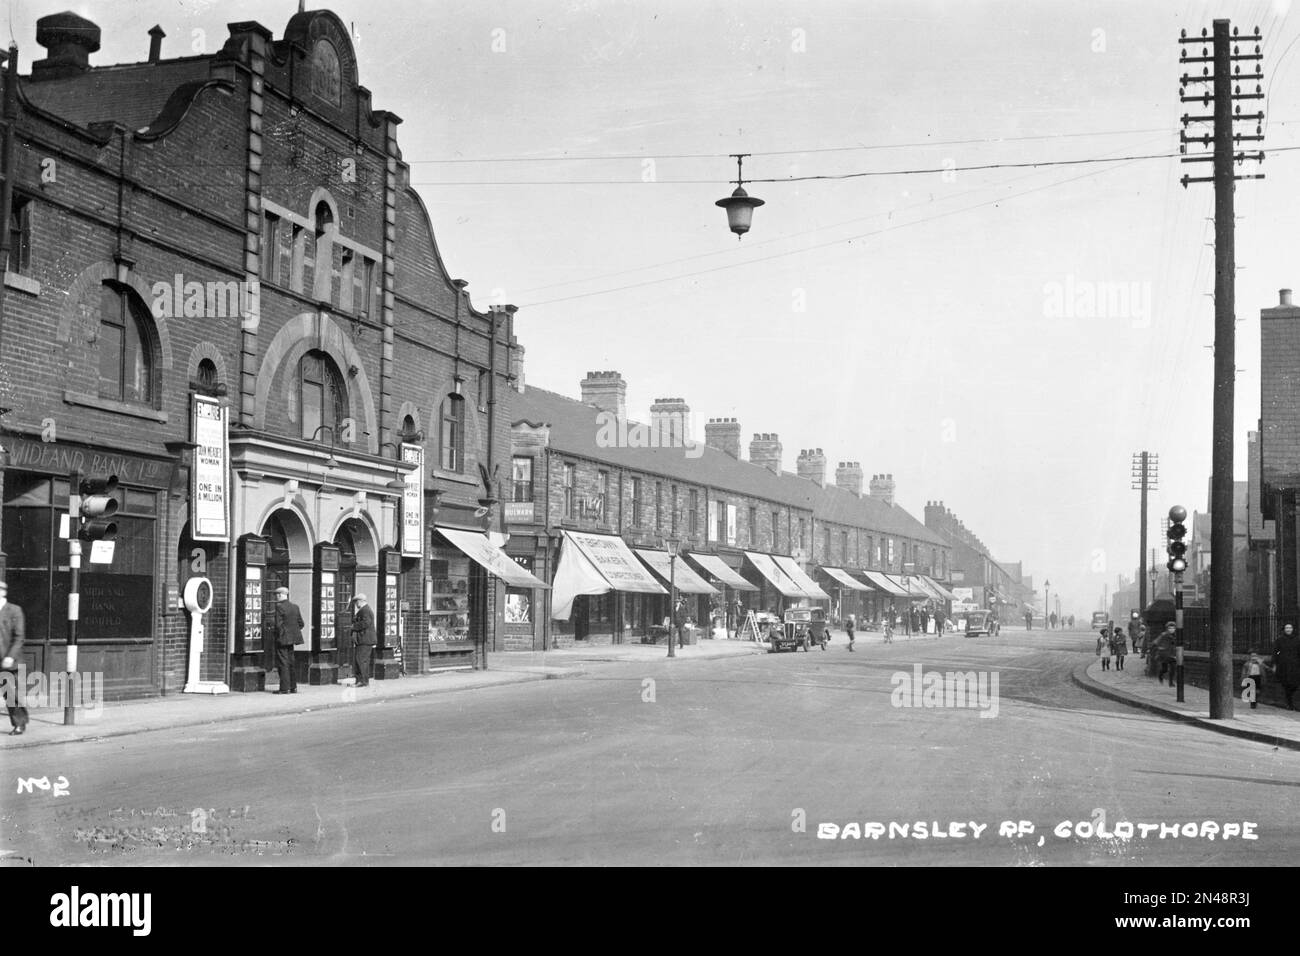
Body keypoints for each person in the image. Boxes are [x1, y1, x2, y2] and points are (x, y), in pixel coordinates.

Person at [0, 582, 28, 736]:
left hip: (8, 660)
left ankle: (19, 723)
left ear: (3, 592)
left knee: (10, 694)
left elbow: (19, 637)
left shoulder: (14, 610)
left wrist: (10, 657)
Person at [272, 586, 304, 694]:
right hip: (292, 639)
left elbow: (278, 624)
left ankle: (284, 688)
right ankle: (293, 687)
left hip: (282, 639)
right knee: (291, 662)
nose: (276, 597)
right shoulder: (295, 607)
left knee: (283, 663)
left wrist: (280, 634)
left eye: (277, 595)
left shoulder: (279, 607)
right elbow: (301, 623)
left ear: (280, 595)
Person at [351, 593, 377, 686]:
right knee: (362, 660)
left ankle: (362, 681)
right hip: (365, 640)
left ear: (360, 601)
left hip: (364, 640)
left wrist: (354, 626)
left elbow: (366, 623)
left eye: (356, 602)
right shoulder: (365, 610)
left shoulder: (365, 610)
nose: (355, 604)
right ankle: (362, 681)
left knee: (361, 660)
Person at [1272, 623, 1300, 710]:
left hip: (1295, 665)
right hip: (1284, 665)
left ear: (1293, 629)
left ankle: (1291, 701)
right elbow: (1275, 652)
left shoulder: (1298, 639)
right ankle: (1289, 703)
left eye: (1290, 628)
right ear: (1284, 629)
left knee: (1295, 684)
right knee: (1286, 684)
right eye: (1287, 628)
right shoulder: (1280, 640)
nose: (1288, 629)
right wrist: (1274, 664)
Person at [1154, 622, 1177, 686]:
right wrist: (1160, 648)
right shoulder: (1163, 635)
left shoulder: (1175, 635)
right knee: (1165, 669)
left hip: (1172, 654)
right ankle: (1160, 675)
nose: (1171, 629)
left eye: (1173, 628)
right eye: (1170, 628)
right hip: (1165, 655)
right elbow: (1156, 642)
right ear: (1167, 628)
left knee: (1173, 668)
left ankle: (1171, 682)